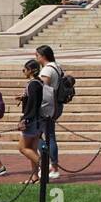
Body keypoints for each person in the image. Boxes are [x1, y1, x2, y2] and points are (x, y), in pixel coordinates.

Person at [35, 44, 64, 179]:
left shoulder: (47, 70)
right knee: (49, 135)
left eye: (37, 56)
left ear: (43, 56)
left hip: (47, 107)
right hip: (56, 105)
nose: (37, 59)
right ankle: (53, 165)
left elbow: (42, 90)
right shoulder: (57, 67)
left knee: (40, 136)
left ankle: (51, 166)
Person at [16, 59, 45, 180]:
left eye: (25, 69)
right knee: (32, 148)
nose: (23, 71)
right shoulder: (38, 82)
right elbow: (34, 100)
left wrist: (24, 119)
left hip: (32, 120)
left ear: (31, 70)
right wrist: (24, 98)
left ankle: (44, 166)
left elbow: (32, 105)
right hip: (38, 120)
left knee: (22, 148)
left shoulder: (33, 84)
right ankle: (34, 177)